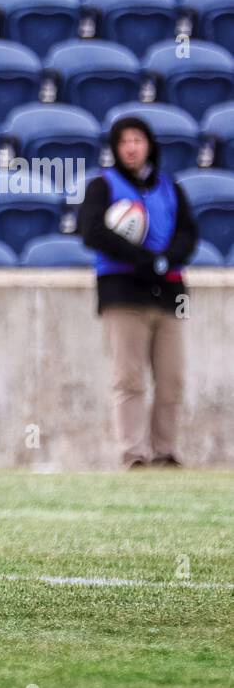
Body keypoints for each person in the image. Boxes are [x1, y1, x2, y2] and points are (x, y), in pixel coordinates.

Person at [79, 115, 198, 469]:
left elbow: (188, 235)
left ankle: (165, 451)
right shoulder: (103, 185)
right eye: (124, 141)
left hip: (170, 292)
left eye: (138, 140)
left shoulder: (169, 186)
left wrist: (165, 261)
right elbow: (92, 232)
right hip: (123, 291)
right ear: (115, 148)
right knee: (128, 377)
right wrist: (143, 259)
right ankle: (134, 454)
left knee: (172, 378)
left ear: (149, 145)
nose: (131, 148)